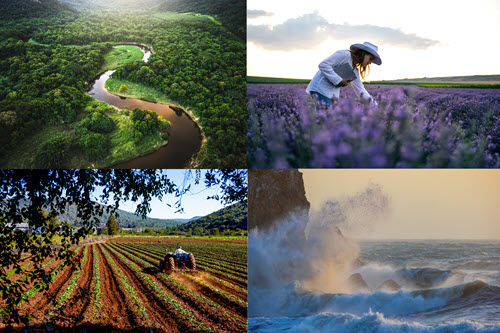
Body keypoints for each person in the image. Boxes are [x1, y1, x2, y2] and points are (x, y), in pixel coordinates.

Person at [306, 41, 382, 107]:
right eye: (370, 58)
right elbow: (323, 65)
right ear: (364, 54)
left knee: (329, 120)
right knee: (326, 120)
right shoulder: (346, 55)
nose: (370, 62)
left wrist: (376, 106)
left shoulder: (354, 70)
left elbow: (360, 90)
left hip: (331, 95)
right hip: (320, 89)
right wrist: (339, 80)